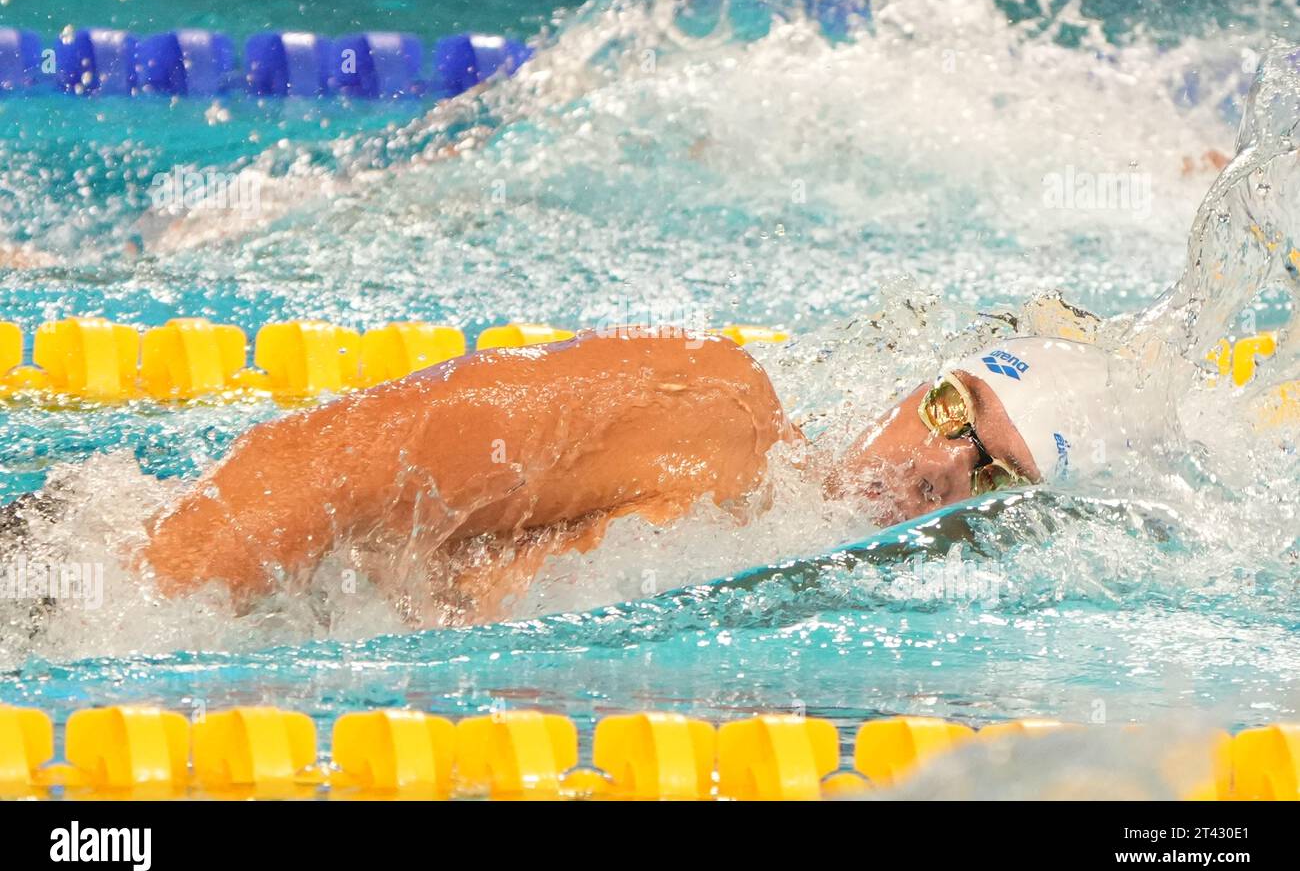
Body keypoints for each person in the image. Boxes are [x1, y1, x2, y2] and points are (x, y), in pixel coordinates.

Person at [141, 329, 1129, 624]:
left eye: (990, 477)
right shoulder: (711, 412)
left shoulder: (797, 601)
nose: (933, 469)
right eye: (951, 415)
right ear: (919, 384)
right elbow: (319, 465)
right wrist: (134, 623)